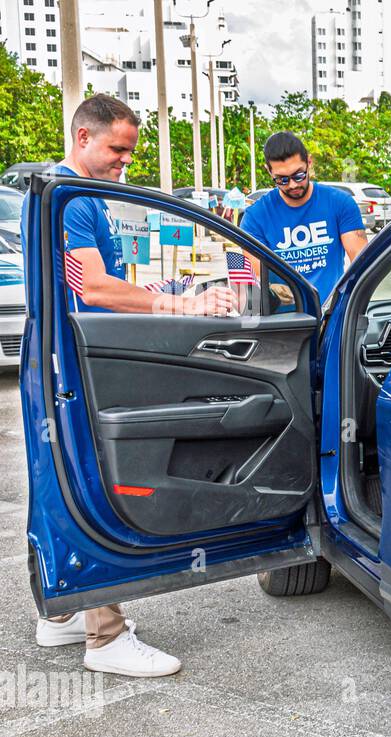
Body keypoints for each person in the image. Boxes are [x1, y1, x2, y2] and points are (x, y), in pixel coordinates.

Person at [27, 93, 238, 677]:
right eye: (117, 150)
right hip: (73, 359)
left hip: (60, 353)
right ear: (83, 137)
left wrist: (161, 292)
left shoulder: (67, 196)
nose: (126, 162)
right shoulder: (69, 199)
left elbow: (100, 283)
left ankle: (62, 610)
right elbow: (94, 289)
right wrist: (181, 307)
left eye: (130, 152)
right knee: (91, 483)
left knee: (56, 482)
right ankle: (107, 636)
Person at [238, 132, 367, 296]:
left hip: (331, 314)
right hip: (284, 318)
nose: (292, 184)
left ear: (309, 162)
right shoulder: (255, 217)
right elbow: (257, 280)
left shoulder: (340, 203)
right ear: (269, 171)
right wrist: (272, 290)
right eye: (282, 179)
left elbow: (362, 263)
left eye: (299, 175)